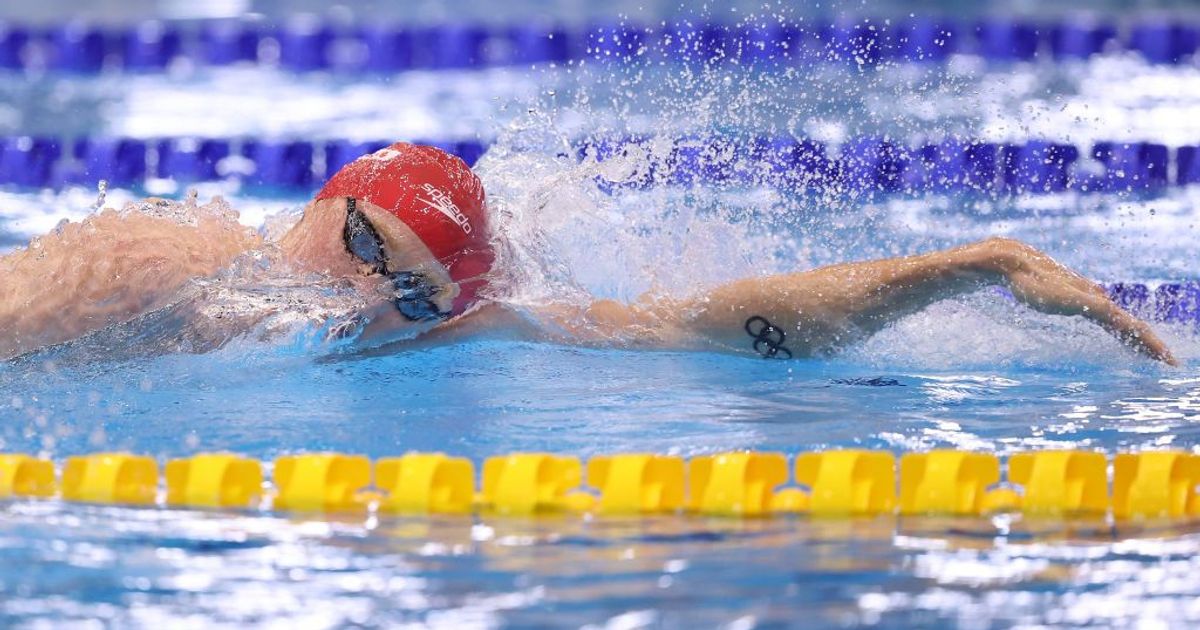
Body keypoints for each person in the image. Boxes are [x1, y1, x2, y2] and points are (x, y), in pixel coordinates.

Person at [0, 142, 1177, 365]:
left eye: (401, 281)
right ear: (327, 196)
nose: (362, 285)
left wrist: (960, 267)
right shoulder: (167, 261)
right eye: (360, 239)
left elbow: (707, 324)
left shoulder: (443, 324)